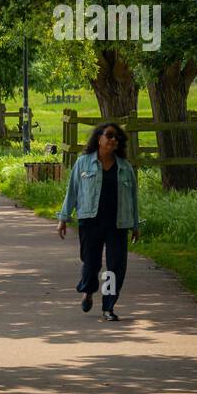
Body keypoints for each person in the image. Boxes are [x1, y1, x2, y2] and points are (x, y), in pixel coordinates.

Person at [57, 122, 142, 321]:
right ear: (99, 138)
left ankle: (108, 306)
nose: (113, 140)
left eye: (117, 138)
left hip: (117, 223)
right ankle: (88, 290)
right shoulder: (83, 163)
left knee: (115, 267)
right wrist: (63, 218)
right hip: (90, 221)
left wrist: (135, 224)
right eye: (110, 136)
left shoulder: (125, 168)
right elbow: (73, 191)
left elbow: (133, 198)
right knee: (91, 263)